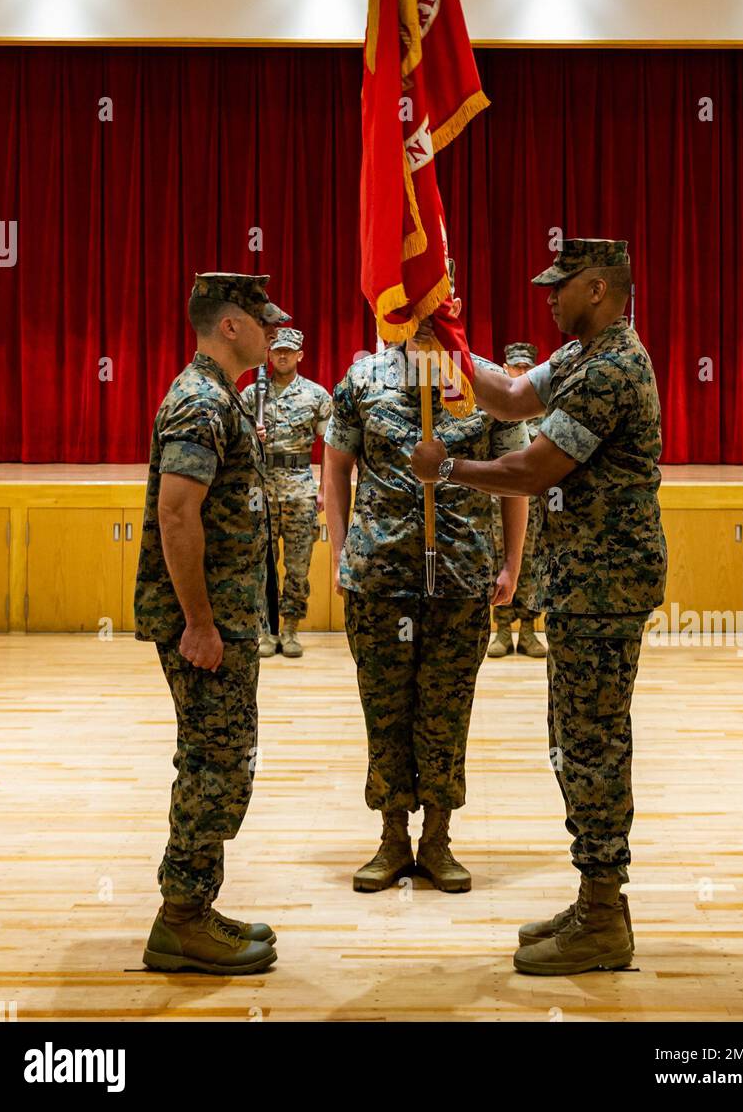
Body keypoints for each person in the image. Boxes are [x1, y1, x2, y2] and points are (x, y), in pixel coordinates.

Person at [411, 239, 667, 975]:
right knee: (575, 736)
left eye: (560, 288)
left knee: (591, 744)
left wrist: (449, 468)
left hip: (606, 582)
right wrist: (451, 344)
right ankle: (596, 899)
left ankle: (605, 914)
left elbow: (533, 467)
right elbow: (510, 398)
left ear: (597, 287)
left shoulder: (612, 367)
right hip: (587, 581)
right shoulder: (587, 357)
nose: (548, 299)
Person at [324, 271, 531, 894]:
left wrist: (512, 564)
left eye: (436, 307)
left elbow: (515, 476)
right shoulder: (362, 379)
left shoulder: (487, 384)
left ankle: (438, 839)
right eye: (413, 308)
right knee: (384, 709)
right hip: (380, 575)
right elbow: (335, 469)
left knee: (447, 710)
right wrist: (339, 554)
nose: (422, 319)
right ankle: (391, 838)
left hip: (462, 573)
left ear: (455, 308)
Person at [135, 271, 290, 976]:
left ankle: (195, 905)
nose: (273, 331)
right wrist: (199, 622)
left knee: (217, 758)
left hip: (225, 619)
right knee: (213, 763)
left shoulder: (218, 395)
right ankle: (181, 921)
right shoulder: (201, 400)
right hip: (209, 627)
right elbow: (177, 512)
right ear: (231, 324)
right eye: (263, 319)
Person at [241, 327, 332, 659]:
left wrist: (324, 491)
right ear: (269, 354)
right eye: (277, 350)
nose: (282, 356)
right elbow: (235, 445)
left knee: (297, 567)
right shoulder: (252, 396)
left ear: (299, 355)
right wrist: (254, 435)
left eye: (288, 351)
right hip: (261, 491)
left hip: (299, 489)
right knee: (262, 565)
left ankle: (291, 629)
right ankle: (266, 631)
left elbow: (331, 449)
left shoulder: (316, 396)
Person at [488, 342, 546, 659]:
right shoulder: (495, 406)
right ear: (505, 367)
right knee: (500, 557)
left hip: (534, 500)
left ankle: (528, 631)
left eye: (526, 367)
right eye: (516, 366)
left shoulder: (545, 409)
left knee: (531, 560)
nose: (520, 372)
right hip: (498, 498)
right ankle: (501, 630)